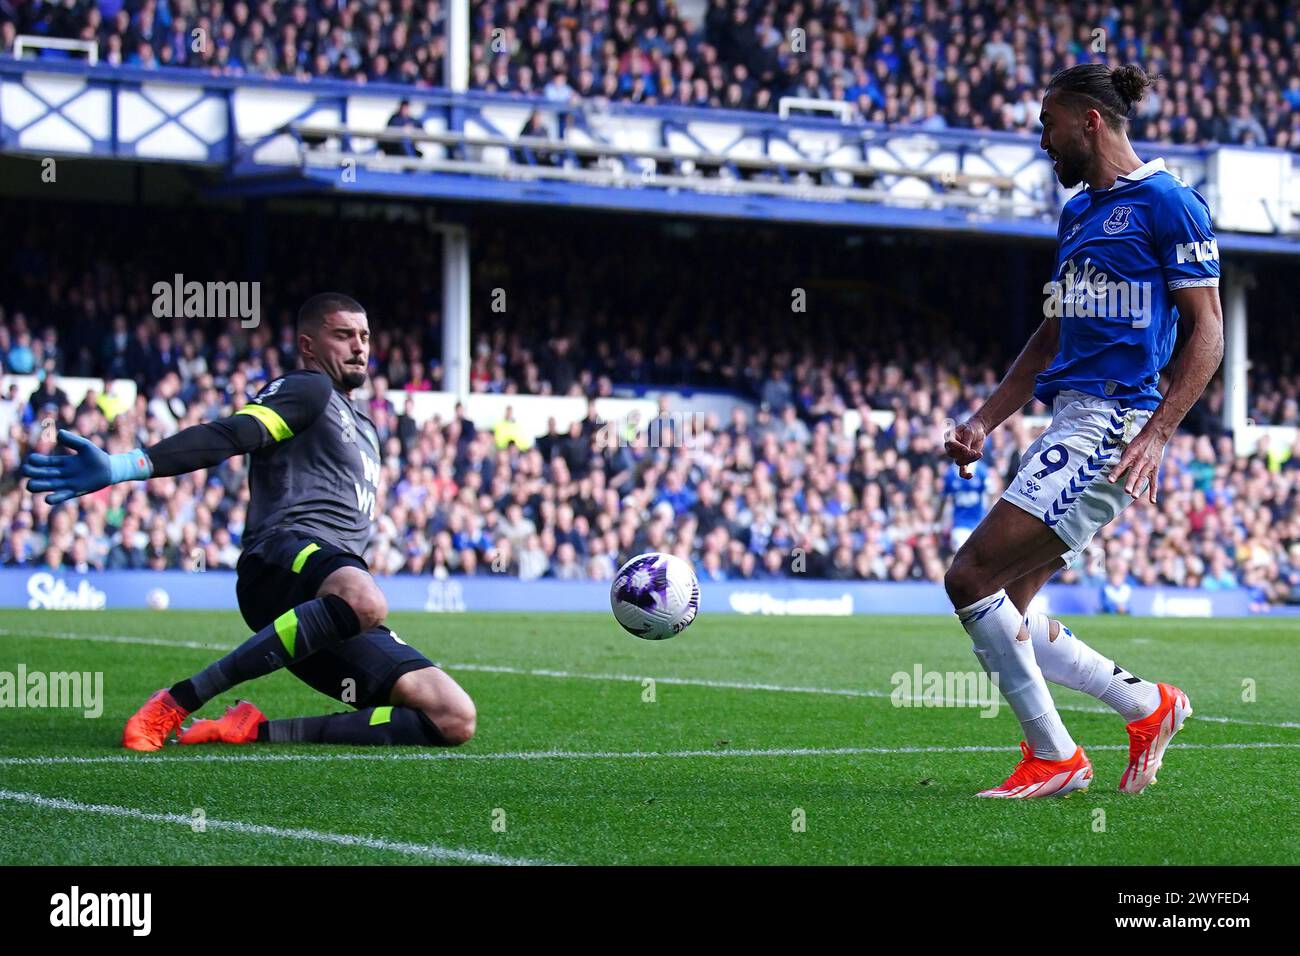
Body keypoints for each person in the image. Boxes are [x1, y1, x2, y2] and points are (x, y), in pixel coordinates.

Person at [23, 293, 477, 750]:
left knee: (451, 716)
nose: (359, 346)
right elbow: (230, 433)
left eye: (364, 336)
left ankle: (249, 729)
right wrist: (127, 465)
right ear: (309, 346)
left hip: (332, 599)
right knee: (365, 600)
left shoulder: (366, 425)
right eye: (343, 335)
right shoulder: (310, 390)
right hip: (280, 560)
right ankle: (179, 699)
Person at [942, 64, 1222, 798]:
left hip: (1116, 419)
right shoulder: (1078, 214)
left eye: (1048, 125)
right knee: (1014, 610)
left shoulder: (1170, 204)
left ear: (1088, 122)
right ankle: (1146, 704)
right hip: (1075, 414)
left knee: (970, 577)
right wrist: (982, 419)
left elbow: (1209, 333)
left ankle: (1056, 757)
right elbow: (1053, 333)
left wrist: (1158, 433)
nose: (1042, 141)